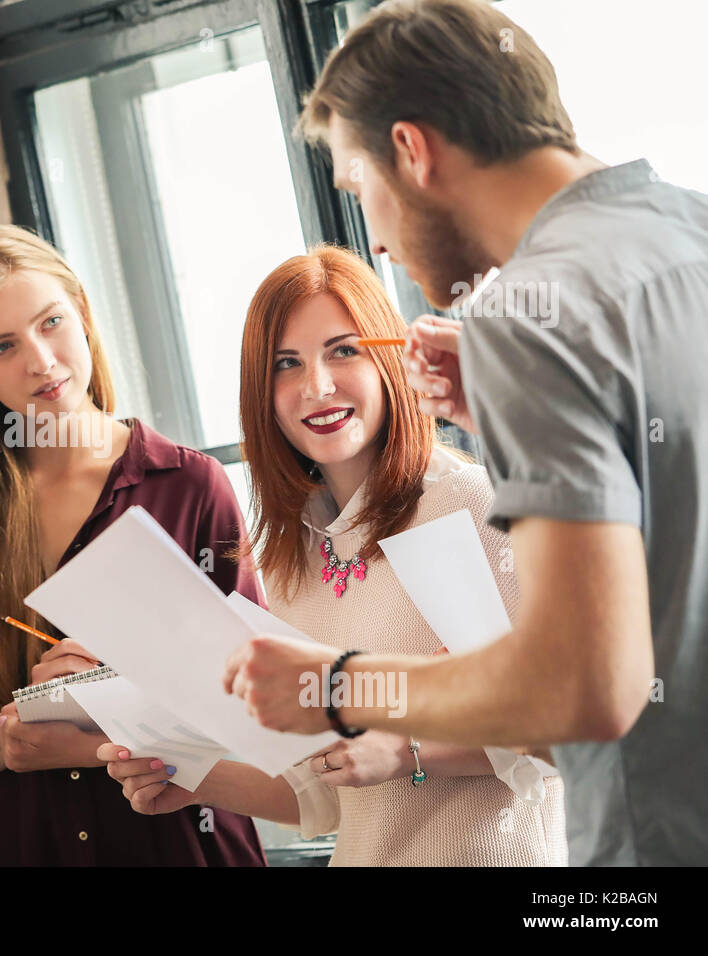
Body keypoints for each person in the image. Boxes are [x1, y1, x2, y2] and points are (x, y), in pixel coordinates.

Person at [218, 0, 708, 865]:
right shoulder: (690, 230)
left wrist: (331, 684)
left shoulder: (524, 319)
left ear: (413, 151)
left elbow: (579, 690)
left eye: (358, 186)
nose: (375, 239)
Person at [102, 246, 566, 865]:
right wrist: (187, 779)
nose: (316, 386)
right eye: (285, 364)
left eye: (343, 350)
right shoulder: (292, 555)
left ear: (388, 360)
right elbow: (324, 791)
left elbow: (562, 725)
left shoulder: (470, 507)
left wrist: (408, 751)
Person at [0, 225, 266, 865]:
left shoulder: (190, 487)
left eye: (51, 323)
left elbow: (258, 710)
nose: (40, 360)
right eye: (2, 346)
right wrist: (28, 725)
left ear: (84, 315)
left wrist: (100, 713)